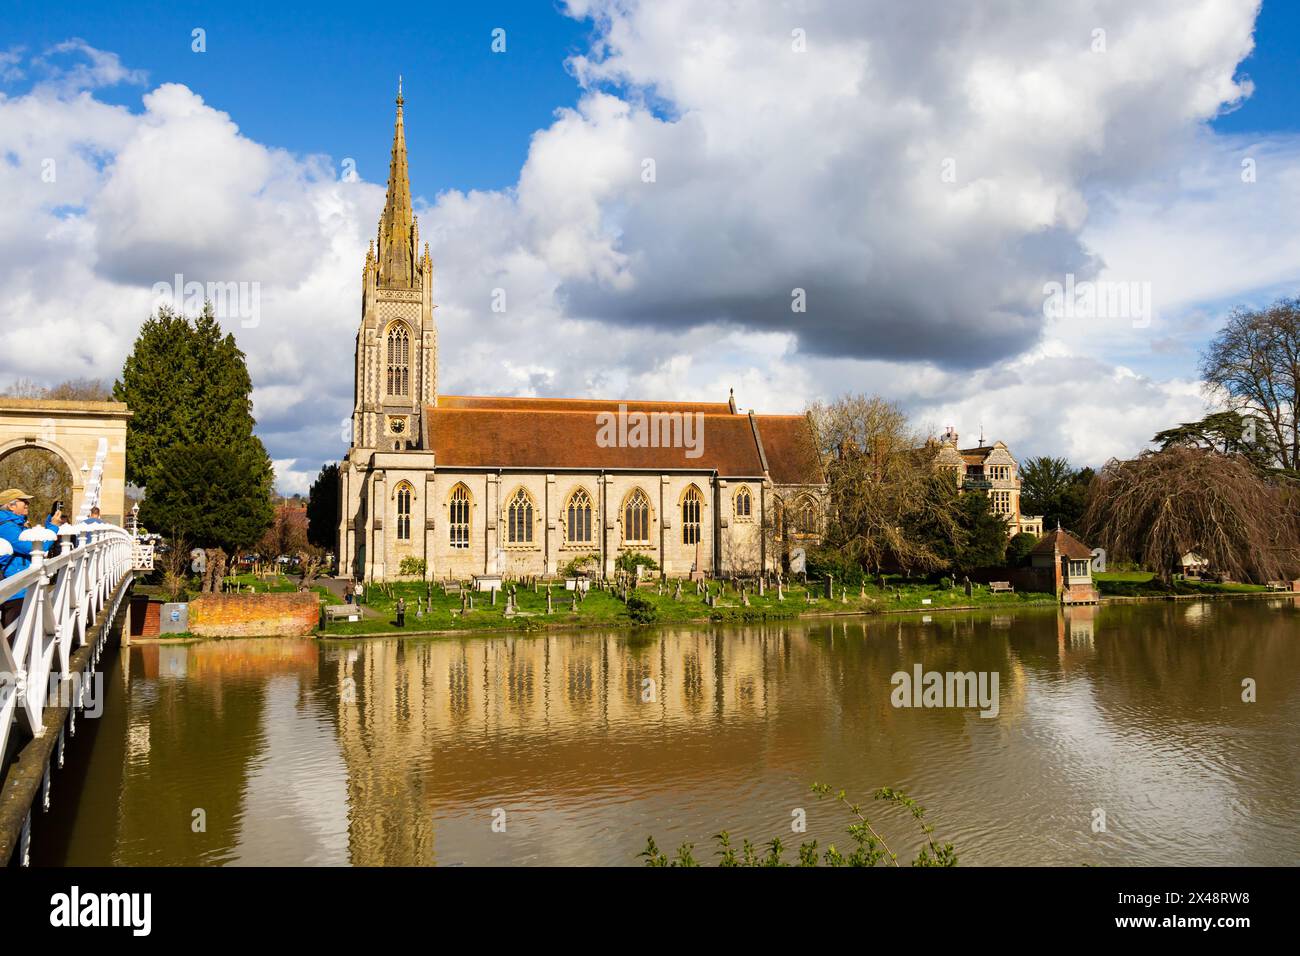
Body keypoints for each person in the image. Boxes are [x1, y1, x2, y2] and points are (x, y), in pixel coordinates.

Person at [0, 488, 37, 638]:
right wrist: (52, 528)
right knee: (14, 634)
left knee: (19, 633)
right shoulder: (6, 526)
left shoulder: (15, 524)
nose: (27, 504)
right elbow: (32, 547)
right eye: (24, 501)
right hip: (13, 587)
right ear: (11, 505)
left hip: (18, 585)